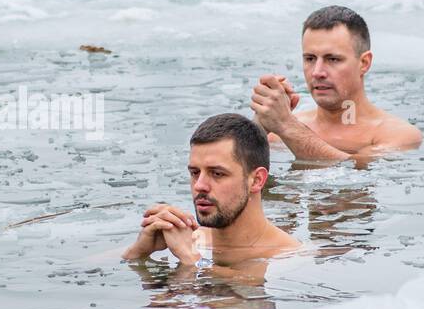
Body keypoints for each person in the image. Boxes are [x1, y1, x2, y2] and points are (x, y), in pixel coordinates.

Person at [122, 113, 300, 268]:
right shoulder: (186, 240)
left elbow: (244, 297)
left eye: (217, 173)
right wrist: (139, 252)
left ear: (257, 180)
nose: (199, 185)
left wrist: (191, 258)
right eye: (194, 172)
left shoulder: (290, 258)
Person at [250, 5, 421, 160]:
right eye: (310, 58)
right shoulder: (278, 134)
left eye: (333, 59)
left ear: (364, 63)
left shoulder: (399, 135)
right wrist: (260, 127)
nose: (317, 72)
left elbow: (353, 170)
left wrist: (287, 126)